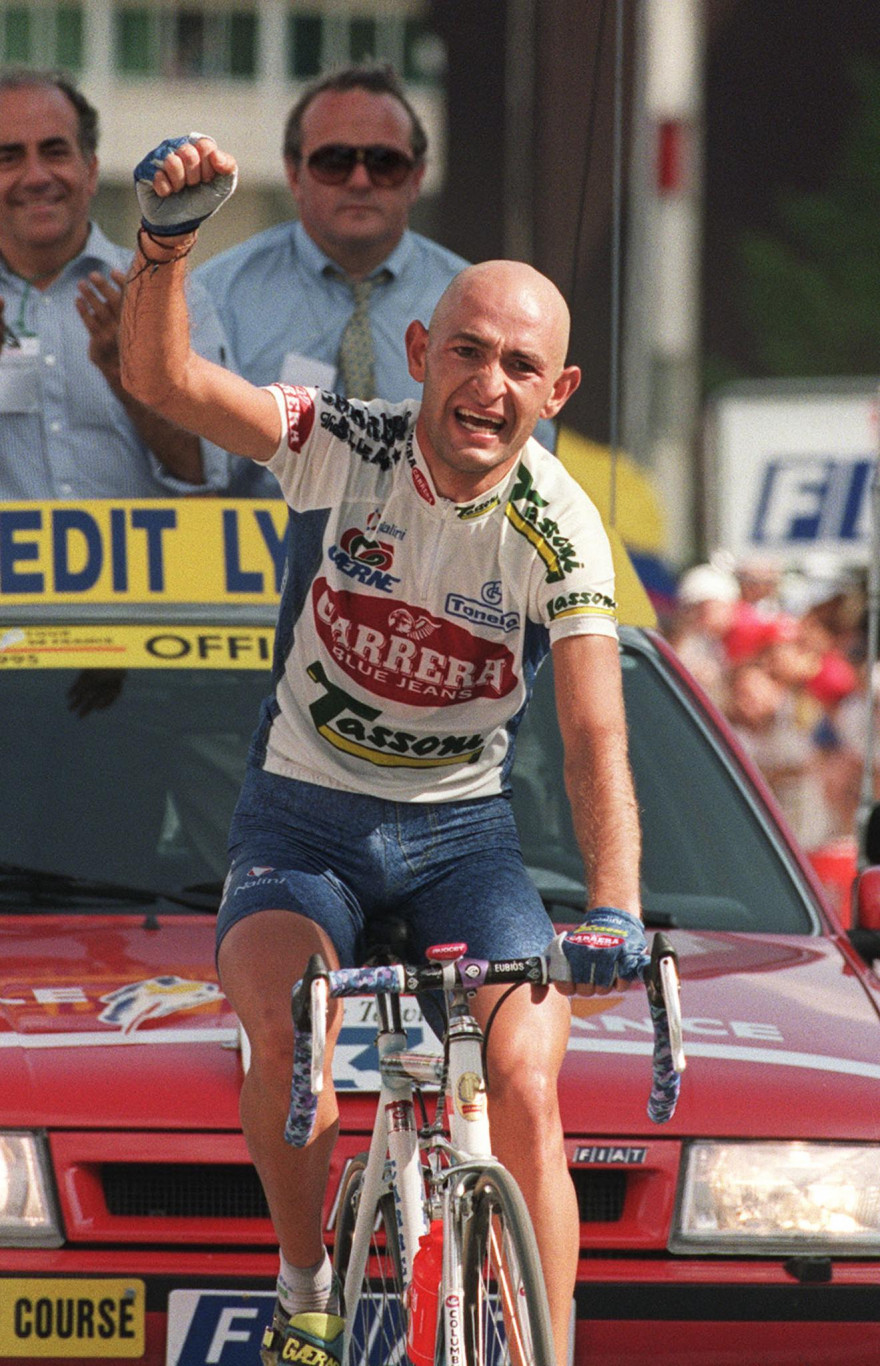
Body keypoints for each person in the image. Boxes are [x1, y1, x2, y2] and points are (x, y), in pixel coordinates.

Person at [120, 134, 646, 1366]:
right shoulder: (344, 442)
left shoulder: (562, 530)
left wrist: (615, 907)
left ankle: (550, 1343)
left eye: (522, 365)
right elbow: (169, 383)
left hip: (464, 834)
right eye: (466, 351)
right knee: (289, 1028)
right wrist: (165, 246)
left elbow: (592, 732)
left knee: (524, 1075)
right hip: (303, 819)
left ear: (556, 395)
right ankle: (306, 1289)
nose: (489, 383)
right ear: (420, 354)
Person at [193, 62, 554, 497]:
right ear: (293, 173)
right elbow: (193, 468)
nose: (360, 180)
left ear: (417, 177)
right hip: (264, 553)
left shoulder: (479, 302)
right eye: (335, 161)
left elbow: (528, 459)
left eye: (385, 163)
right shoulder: (216, 294)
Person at [0, 68, 228, 497]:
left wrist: (135, 375)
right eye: (8, 157)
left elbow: (208, 479)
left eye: (54, 152)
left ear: (91, 171)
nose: (36, 176)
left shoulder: (167, 293)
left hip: (141, 565)